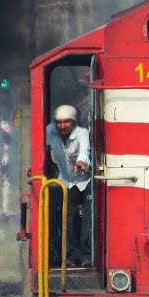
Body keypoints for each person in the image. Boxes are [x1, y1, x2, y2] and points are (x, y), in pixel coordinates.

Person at [45, 104, 92, 266]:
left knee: (88, 218)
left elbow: (85, 150)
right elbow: (40, 148)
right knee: (68, 218)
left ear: (73, 122)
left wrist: (81, 161)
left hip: (85, 181)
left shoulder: (82, 133)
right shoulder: (50, 131)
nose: (62, 126)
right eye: (59, 122)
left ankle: (87, 254)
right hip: (66, 180)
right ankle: (72, 255)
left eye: (67, 122)